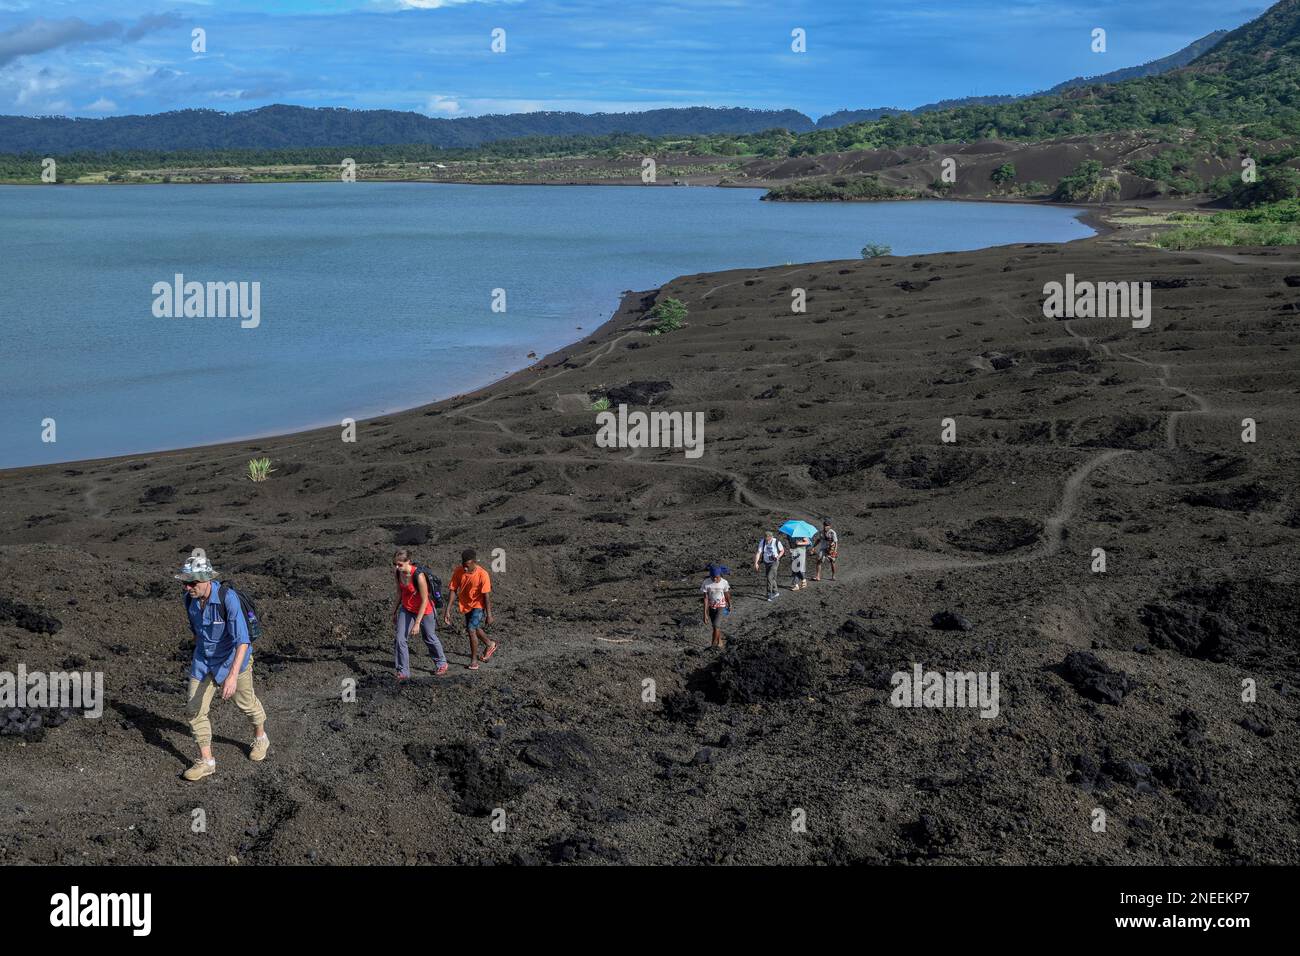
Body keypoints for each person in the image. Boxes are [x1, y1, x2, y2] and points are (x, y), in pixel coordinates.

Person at [175, 552, 268, 782]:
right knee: (194, 710)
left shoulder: (228, 599)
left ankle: (260, 737)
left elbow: (243, 641)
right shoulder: (190, 600)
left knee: (246, 704)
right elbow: (197, 632)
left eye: (192, 582)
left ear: (207, 578)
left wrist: (232, 676)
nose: (188, 587)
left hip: (232, 661)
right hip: (203, 662)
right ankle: (207, 761)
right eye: (185, 582)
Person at [392, 550, 449, 680]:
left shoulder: (419, 576)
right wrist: (394, 611)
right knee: (400, 639)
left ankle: (441, 663)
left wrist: (417, 623)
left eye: (399, 564)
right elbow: (399, 593)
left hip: (425, 610)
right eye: (394, 564)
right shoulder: (397, 573)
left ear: (408, 562)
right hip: (407, 609)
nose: (396, 567)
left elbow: (424, 601)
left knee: (429, 637)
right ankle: (403, 671)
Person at [443, 549, 498, 670]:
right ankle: (490, 644)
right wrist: (448, 610)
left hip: (478, 605)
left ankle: (474, 661)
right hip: (466, 605)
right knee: (475, 627)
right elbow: (453, 590)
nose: (465, 568)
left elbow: (486, 596)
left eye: (467, 566)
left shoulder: (482, 574)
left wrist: (489, 614)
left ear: (474, 562)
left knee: (471, 629)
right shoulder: (459, 571)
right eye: (463, 565)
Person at [700, 564, 732, 648]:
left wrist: (729, 604)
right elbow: (705, 599)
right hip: (711, 607)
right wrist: (705, 614)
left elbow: (727, 594)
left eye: (717, 577)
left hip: (721, 606)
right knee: (715, 626)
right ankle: (720, 642)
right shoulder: (706, 583)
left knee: (716, 625)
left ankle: (713, 644)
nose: (714, 579)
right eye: (713, 577)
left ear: (720, 575)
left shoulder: (724, 582)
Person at [753, 531, 786, 601]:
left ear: (771, 537)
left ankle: (769, 594)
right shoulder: (763, 542)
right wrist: (756, 563)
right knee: (771, 578)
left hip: (774, 562)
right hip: (766, 562)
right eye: (766, 538)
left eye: (768, 539)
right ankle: (776, 592)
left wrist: (778, 557)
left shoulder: (776, 542)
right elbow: (759, 552)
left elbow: (782, 550)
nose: (767, 540)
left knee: (769, 577)